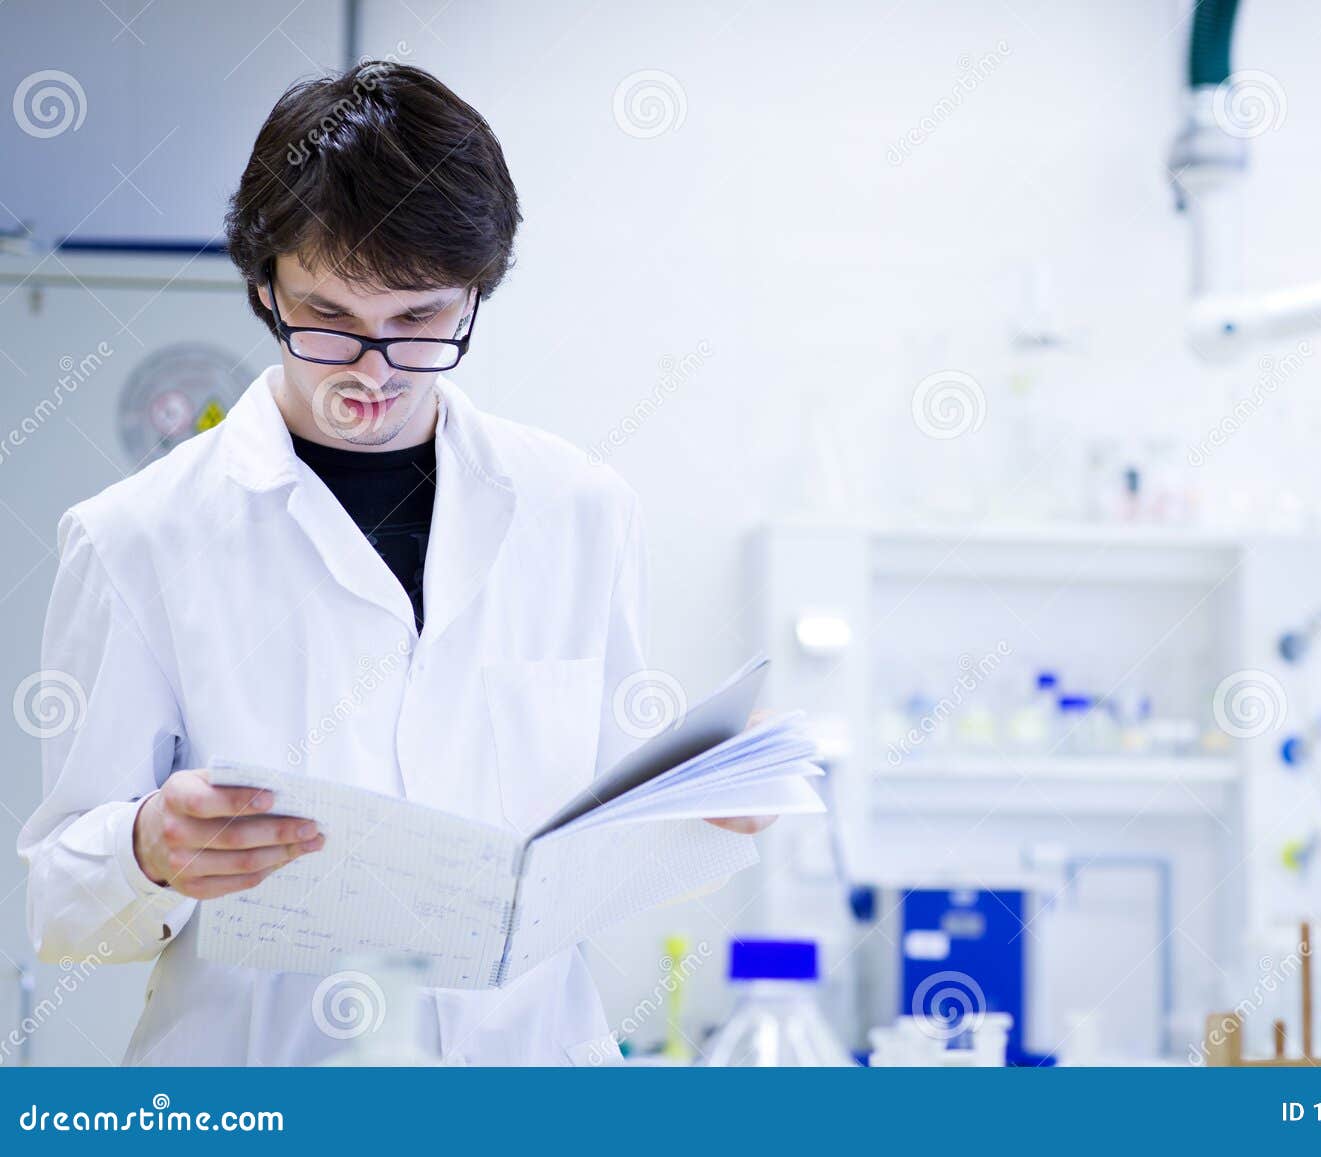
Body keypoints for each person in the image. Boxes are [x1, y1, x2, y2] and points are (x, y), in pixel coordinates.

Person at [16, 61, 771, 1066]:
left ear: (474, 295)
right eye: (329, 318)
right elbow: (60, 903)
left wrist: (709, 812)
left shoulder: (578, 508)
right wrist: (148, 846)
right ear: (261, 284)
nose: (372, 371)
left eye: (417, 321)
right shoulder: (137, 535)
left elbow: (611, 835)